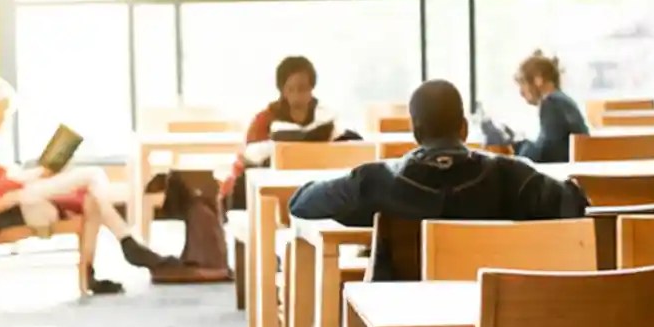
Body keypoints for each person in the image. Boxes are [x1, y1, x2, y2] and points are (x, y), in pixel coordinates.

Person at [0, 77, 175, 294]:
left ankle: (92, 274)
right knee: (92, 176)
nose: (4, 118)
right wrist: (34, 175)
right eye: (2, 112)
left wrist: (33, 175)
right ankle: (128, 242)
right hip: (9, 203)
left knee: (94, 198)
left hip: (18, 196)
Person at [288, 78, 587, 234]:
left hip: (398, 311)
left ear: (415, 132)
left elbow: (301, 203)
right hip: (490, 308)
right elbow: (573, 203)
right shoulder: (511, 176)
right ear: (464, 128)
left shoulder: (375, 182)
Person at [220, 55, 357, 210]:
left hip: (314, 183)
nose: (297, 95)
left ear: (312, 88)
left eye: (303, 89)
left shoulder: (325, 117)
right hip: (272, 183)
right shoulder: (265, 119)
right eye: (291, 89)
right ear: (282, 90)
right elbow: (250, 154)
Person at [507, 50, 589, 164]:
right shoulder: (562, 101)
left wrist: (518, 146)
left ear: (538, 79)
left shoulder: (552, 103)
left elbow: (546, 154)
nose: (521, 92)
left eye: (523, 82)